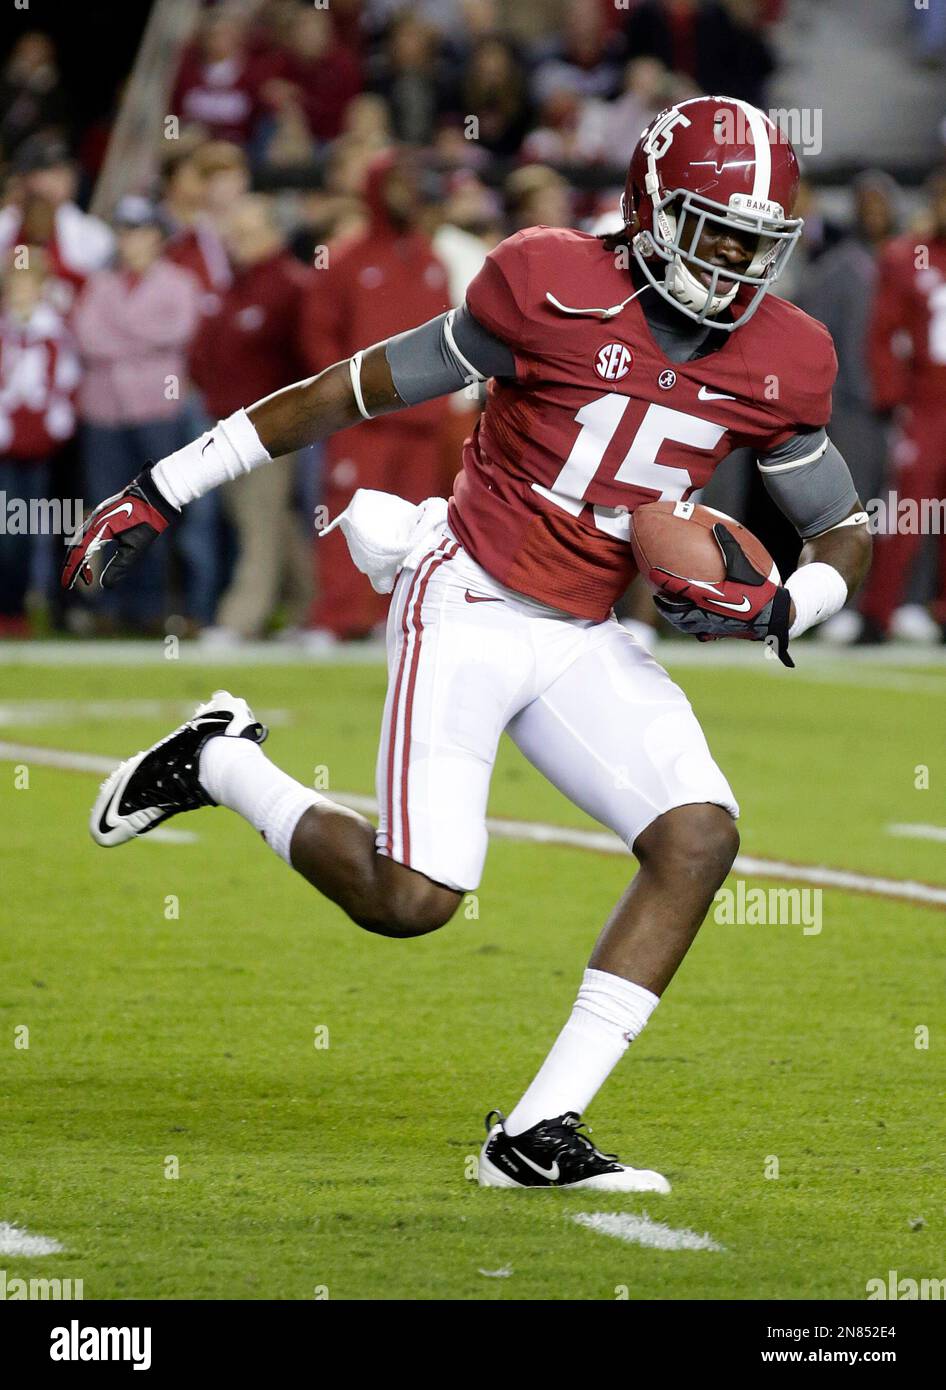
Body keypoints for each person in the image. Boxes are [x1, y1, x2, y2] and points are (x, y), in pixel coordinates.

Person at [64, 97, 871, 1191]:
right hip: (472, 594)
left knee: (698, 838)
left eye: (754, 244)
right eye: (713, 231)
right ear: (647, 209)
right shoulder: (546, 282)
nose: (733, 266)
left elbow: (841, 529)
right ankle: (219, 759)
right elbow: (342, 391)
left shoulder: (787, 353)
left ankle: (536, 1132)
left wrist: (788, 609)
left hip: (587, 633)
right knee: (412, 901)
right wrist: (163, 484)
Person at [299, 149, 451, 643]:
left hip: (422, 422)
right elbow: (317, 335)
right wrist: (344, 397)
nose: (409, 195)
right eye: (398, 184)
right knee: (351, 518)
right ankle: (335, 619)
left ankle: (395, 621)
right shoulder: (346, 259)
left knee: (417, 528)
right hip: (364, 420)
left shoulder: (432, 260)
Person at [71, 196, 202, 631]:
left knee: (154, 508)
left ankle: (150, 608)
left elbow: (179, 331)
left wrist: (118, 334)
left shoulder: (178, 282)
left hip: (155, 412)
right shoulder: (101, 283)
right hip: (105, 413)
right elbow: (86, 337)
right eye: (125, 232)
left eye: (141, 232)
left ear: (157, 238)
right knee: (106, 508)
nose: (131, 242)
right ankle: (106, 608)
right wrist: (142, 342)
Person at [188, 193, 314, 643]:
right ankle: (311, 607)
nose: (235, 241)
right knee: (269, 520)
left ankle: (240, 620)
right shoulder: (233, 285)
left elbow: (311, 359)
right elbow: (204, 353)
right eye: (232, 233)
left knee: (259, 521)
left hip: (272, 427)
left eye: (246, 233)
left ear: (273, 234)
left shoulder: (293, 286)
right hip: (226, 424)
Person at [857, 167, 946, 642]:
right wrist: (892, 395)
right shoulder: (908, 257)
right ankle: (878, 614)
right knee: (906, 513)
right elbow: (883, 332)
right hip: (928, 402)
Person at [0, 246, 78, 635]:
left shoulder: (54, 332)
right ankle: (12, 607)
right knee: (10, 528)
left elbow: (65, 380)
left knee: (53, 525)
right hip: (8, 447)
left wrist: (58, 418)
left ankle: (55, 606)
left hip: (46, 446)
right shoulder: (4, 332)